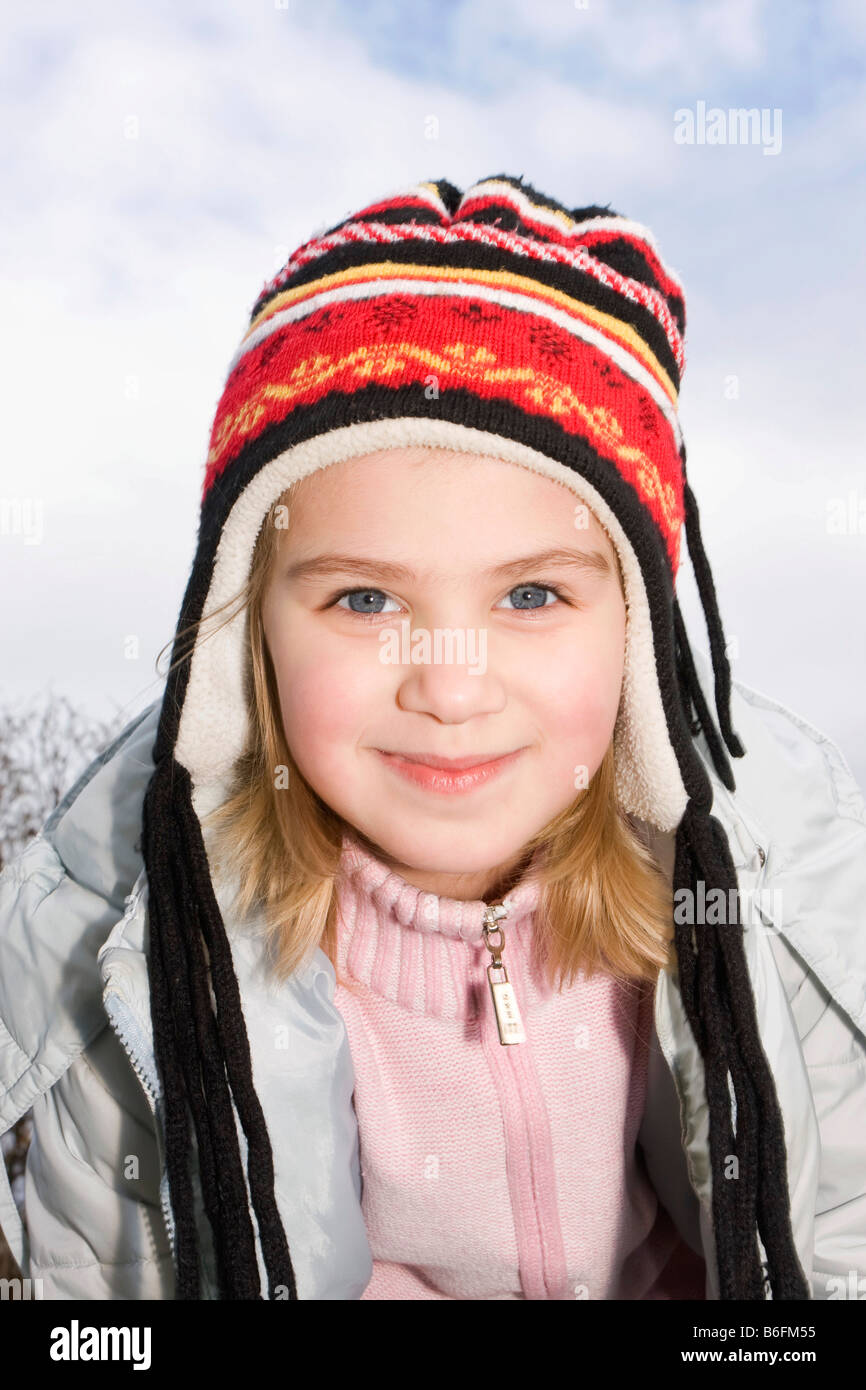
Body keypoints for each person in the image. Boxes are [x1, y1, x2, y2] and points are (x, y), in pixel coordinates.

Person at [1, 174, 865, 1302]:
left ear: (636, 634)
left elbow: (837, 1221)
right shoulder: (144, 968)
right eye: (364, 600)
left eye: (530, 597)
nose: (450, 692)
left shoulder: (762, 903)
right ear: (245, 631)